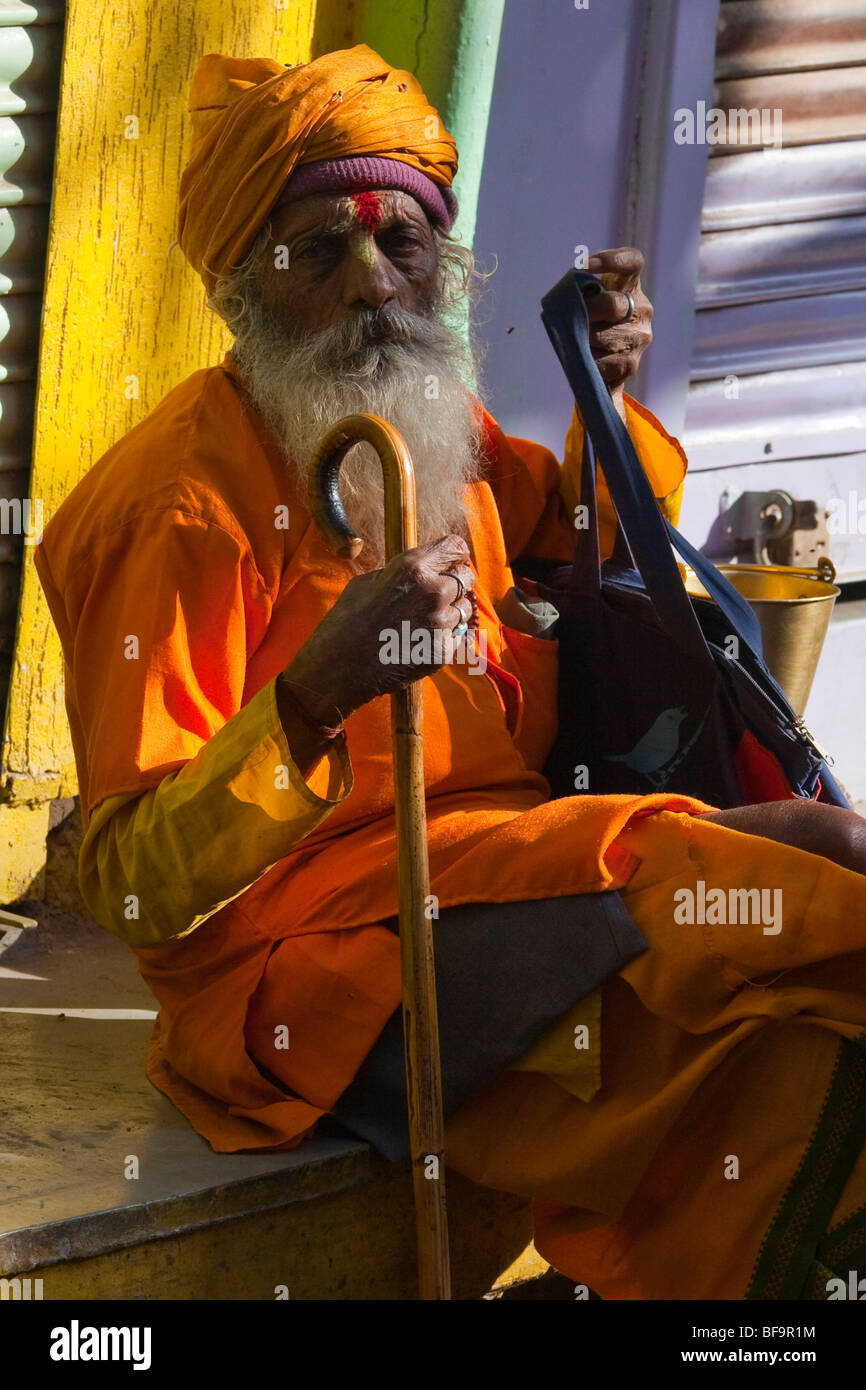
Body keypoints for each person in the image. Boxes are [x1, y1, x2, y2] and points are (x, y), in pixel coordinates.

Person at [35, 45, 866, 1300]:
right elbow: (134, 891)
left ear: (443, 264)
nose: (372, 283)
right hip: (318, 970)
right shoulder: (179, 508)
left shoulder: (438, 427)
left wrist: (603, 384)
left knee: (816, 983)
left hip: (517, 876)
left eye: (400, 246)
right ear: (240, 288)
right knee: (804, 884)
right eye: (317, 252)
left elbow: (582, 540)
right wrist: (311, 693)